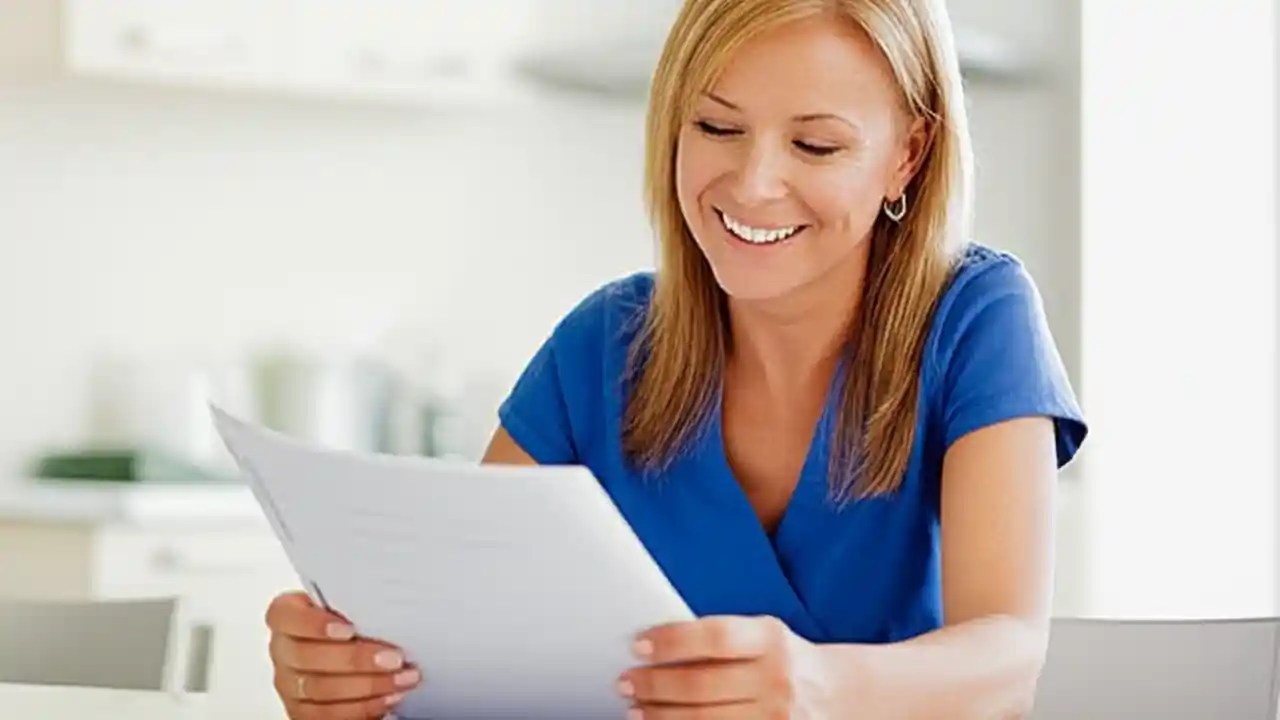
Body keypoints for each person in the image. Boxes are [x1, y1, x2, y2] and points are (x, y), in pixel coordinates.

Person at [262, 0, 1087, 717]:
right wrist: (358, 676)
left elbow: (1009, 658)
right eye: (717, 127)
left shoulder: (976, 319)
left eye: (815, 146)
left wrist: (820, 688)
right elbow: (463, 641)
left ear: (907, 155)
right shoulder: (603, 347)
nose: (754, 183)